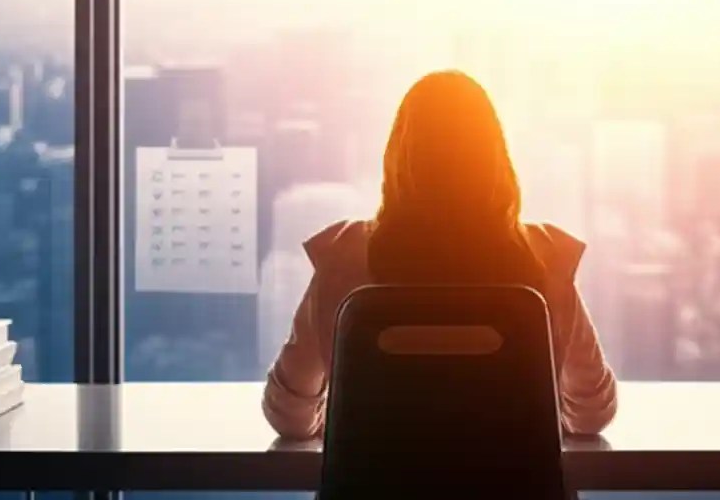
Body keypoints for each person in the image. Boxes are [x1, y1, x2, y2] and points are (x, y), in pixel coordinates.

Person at [262, 70, 617, 439]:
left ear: (398, 160)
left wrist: (342, 426)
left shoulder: (344, 258)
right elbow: (591, 414)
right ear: (496, 161)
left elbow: (289, 415)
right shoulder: (545, 258)